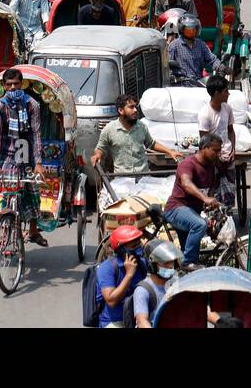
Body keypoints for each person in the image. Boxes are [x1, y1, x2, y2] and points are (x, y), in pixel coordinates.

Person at [0, 68, 46, 246]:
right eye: (9, 85)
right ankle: (6, 228)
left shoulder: (32, 104)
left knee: (32, 191)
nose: (13, 88)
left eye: (16, 84)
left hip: (28, 153)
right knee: (6, 191)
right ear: (4, 86)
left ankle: (34, 230)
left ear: (21, 84)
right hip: (8, 154)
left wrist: (38, 162)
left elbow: (36, 134)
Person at [164, 132, 223, 267]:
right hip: (176, 209)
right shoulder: (187, 164)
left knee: (189, 250)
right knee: (199, 224)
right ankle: (188, 264)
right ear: (204, 148)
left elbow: (211, 188)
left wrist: (212, 202)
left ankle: (185, 270)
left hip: (191, 212)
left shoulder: (211, 167)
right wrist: (205, 198)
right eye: (215, 150)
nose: (218, 154)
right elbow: (186, 183)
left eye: (219, 150)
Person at [92, 94, 184, 177]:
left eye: (135, 107)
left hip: (144, 177)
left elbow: (151, 144)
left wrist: (169, 152)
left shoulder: (141, 126)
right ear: (121, 110)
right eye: (131, 107)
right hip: (123, 180)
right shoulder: (109, 129)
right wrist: (97, 156)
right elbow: (100, 148)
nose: (135, 110)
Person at [94, 226, 147, 327]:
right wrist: (129, 275)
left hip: (139, 318)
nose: (138, 249)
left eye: (138, 244)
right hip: (115, 322)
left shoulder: (142, 264)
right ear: (121, 250)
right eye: (133, 246)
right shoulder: (107, 268)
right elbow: (111, 301)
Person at [132, 239, 182, 328]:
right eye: (166, 263)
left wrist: (216, 320)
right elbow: (141, 321)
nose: (170, 266)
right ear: (152, 265)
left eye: (171, 262)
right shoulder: (143, 290)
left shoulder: (176, 283)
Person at [169, 14, 218, 84]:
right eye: (188, 30)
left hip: (199, 83)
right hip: (181, 85)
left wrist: (220, 66)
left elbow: (212, 59)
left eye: (193, 29)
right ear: (182, 29)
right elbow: (167, 66)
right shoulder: (174, 45)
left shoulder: (201, 44)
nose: (191, 32)